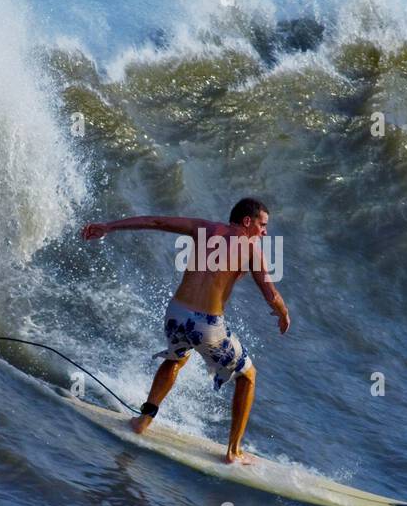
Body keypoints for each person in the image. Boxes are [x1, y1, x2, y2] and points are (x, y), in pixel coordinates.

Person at [80, 197, 289, 464]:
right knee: (248, 376)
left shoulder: (203, 228)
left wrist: (109, 226)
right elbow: (270, 293)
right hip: (206, 324)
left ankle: (143, 421)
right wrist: (283, 313)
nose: (264, 232)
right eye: (262, 225)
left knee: (177, 357)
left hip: (176, 315)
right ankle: (234, 452)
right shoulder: (250, 247)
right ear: (247, 222)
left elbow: (155, 221)